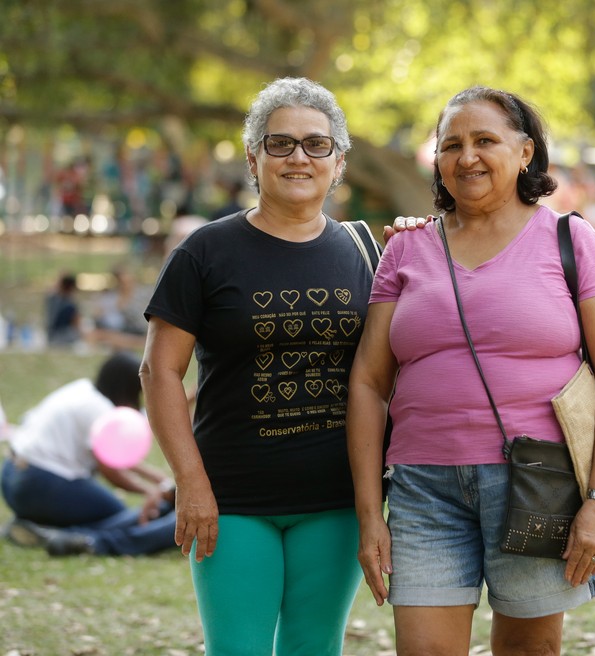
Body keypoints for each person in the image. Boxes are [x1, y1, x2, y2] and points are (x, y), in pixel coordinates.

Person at [347, 86, 595, 656]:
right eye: (451, 144)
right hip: (422, 488)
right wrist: (368, 516)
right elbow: (368, 382)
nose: (467, 157)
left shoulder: (569, 239)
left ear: (525, 152)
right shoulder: (406, 249)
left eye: (485, 140)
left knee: (529, 650)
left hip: (536, 484)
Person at [141, 77, 373, 656]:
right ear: (254, 157)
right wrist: (190, 484)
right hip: (231, 501)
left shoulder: (365, 253)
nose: (299, 156)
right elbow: (158, 372)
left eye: (317, 144)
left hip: (335, 500)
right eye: (281, 143)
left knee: (314, 648)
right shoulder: (205, 252)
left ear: (338, 162)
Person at [1, 352, 177, 557]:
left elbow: (112, 453)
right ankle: (64, 536)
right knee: (117, 513)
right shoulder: (100, 411)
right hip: (39, 482)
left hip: (10, 475)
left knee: (124, 514)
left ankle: (39, 528)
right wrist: (149, 491)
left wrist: (158, 479)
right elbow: (112, 472)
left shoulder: (82, 389)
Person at [44, 272, 83, 347]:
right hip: (63, 338)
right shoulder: (69, 305)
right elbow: (77, 325)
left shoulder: (52, 299)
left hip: (50, 336)